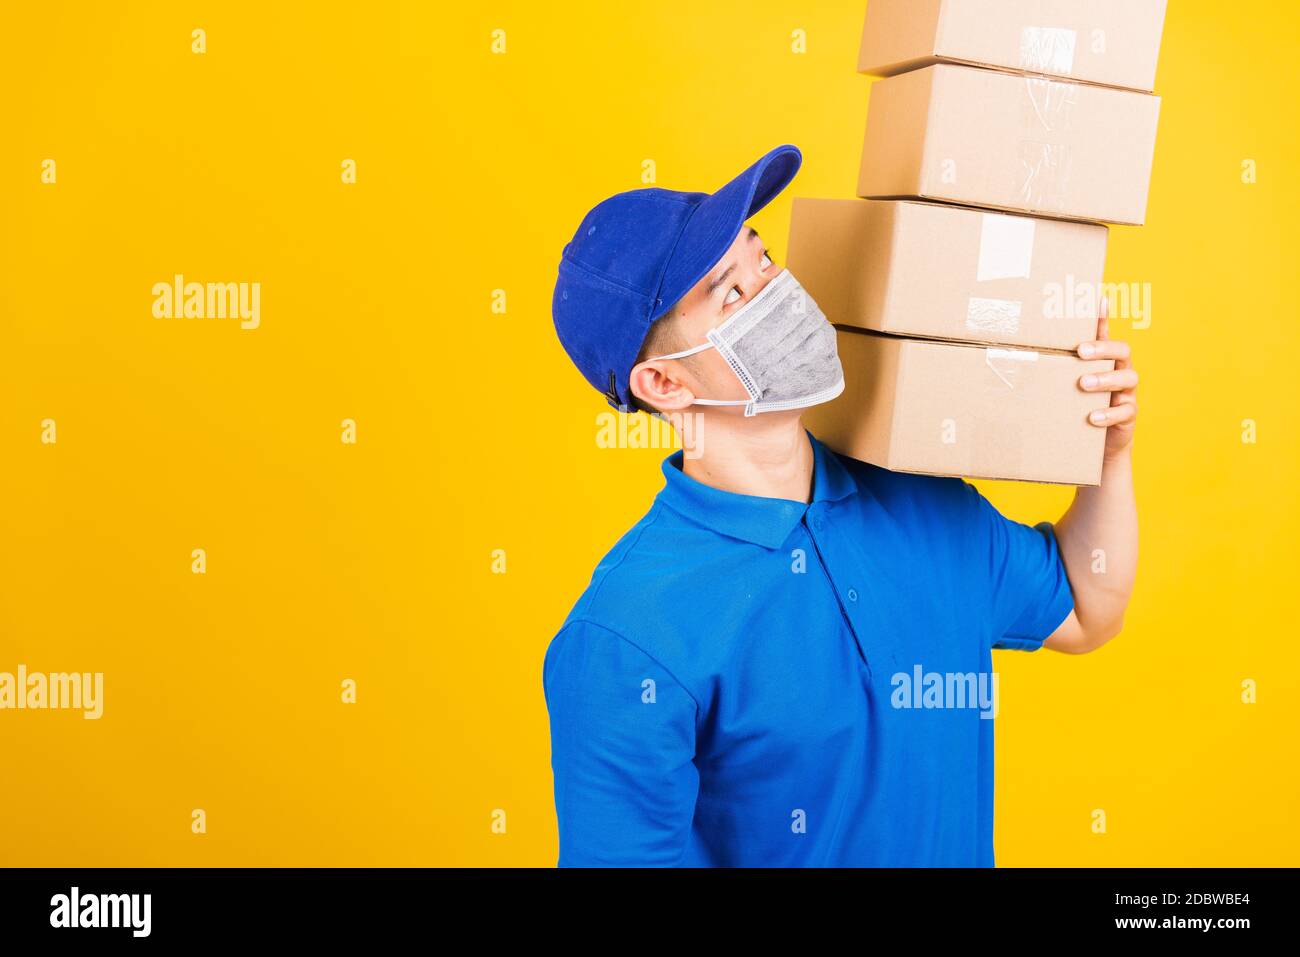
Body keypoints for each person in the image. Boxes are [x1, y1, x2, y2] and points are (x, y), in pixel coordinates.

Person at [544, 144, 1138, 866]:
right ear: (665, 385)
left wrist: (1106, 456)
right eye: (732, 293)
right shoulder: (627, 636)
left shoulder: (921, 496)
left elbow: (1085, 606)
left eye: (763, 260)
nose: (776, 291)